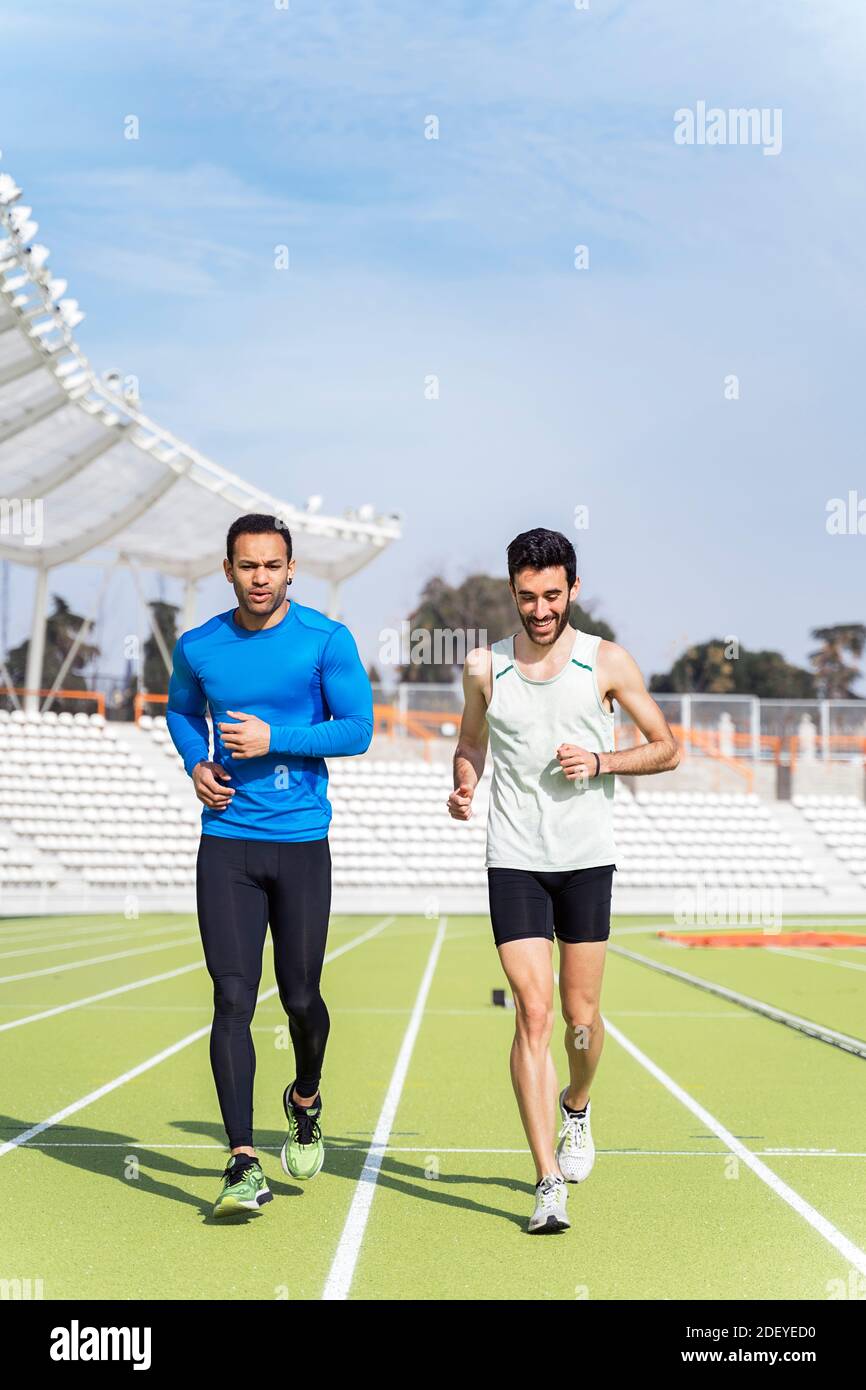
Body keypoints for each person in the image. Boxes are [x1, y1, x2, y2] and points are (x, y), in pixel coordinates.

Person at [448, 527, 679, 1233]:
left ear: (572, 589)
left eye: (552, 595)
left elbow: (668, 748)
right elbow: (471, 742)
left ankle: (577, 1107)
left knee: (580, 1020)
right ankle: (547, 1180)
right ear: (511, 592)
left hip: (585, 860)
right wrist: (462, 783)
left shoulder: (605, 662)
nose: (540, 609)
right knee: (534, 1013)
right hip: (513, 857)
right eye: (527, 597)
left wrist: (604, 763)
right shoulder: (484, 667)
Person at [166, 513, 373, 1217]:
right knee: (231, 996)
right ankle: (241, 1160)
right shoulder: (199, 645)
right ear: (227, 569)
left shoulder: (325, 639)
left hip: (301, 843)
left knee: (301, 999)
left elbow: (357, 729)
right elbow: (180, 712)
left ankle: (305, 1096)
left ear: (292, 570)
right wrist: (196, 762)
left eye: (272, 566)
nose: (260, 578)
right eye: (247, 566)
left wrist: (273, 738)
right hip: (226, 842)